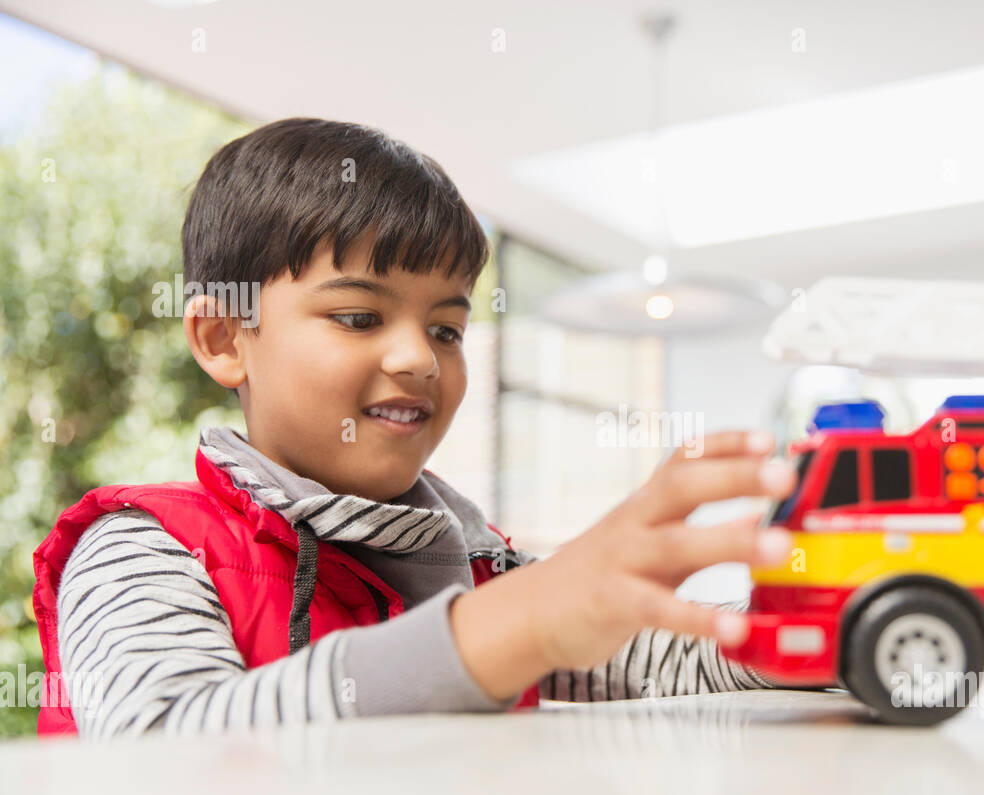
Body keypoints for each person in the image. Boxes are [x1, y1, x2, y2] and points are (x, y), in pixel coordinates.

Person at [31, 118, 797, 739]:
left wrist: (836, 605)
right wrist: (511, 625)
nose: (419, 359)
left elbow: (668, 660)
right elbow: (165, 758)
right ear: (226, 340)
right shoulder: (141, 548)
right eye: (360, 316)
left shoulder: (479, 565)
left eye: (447, 331)